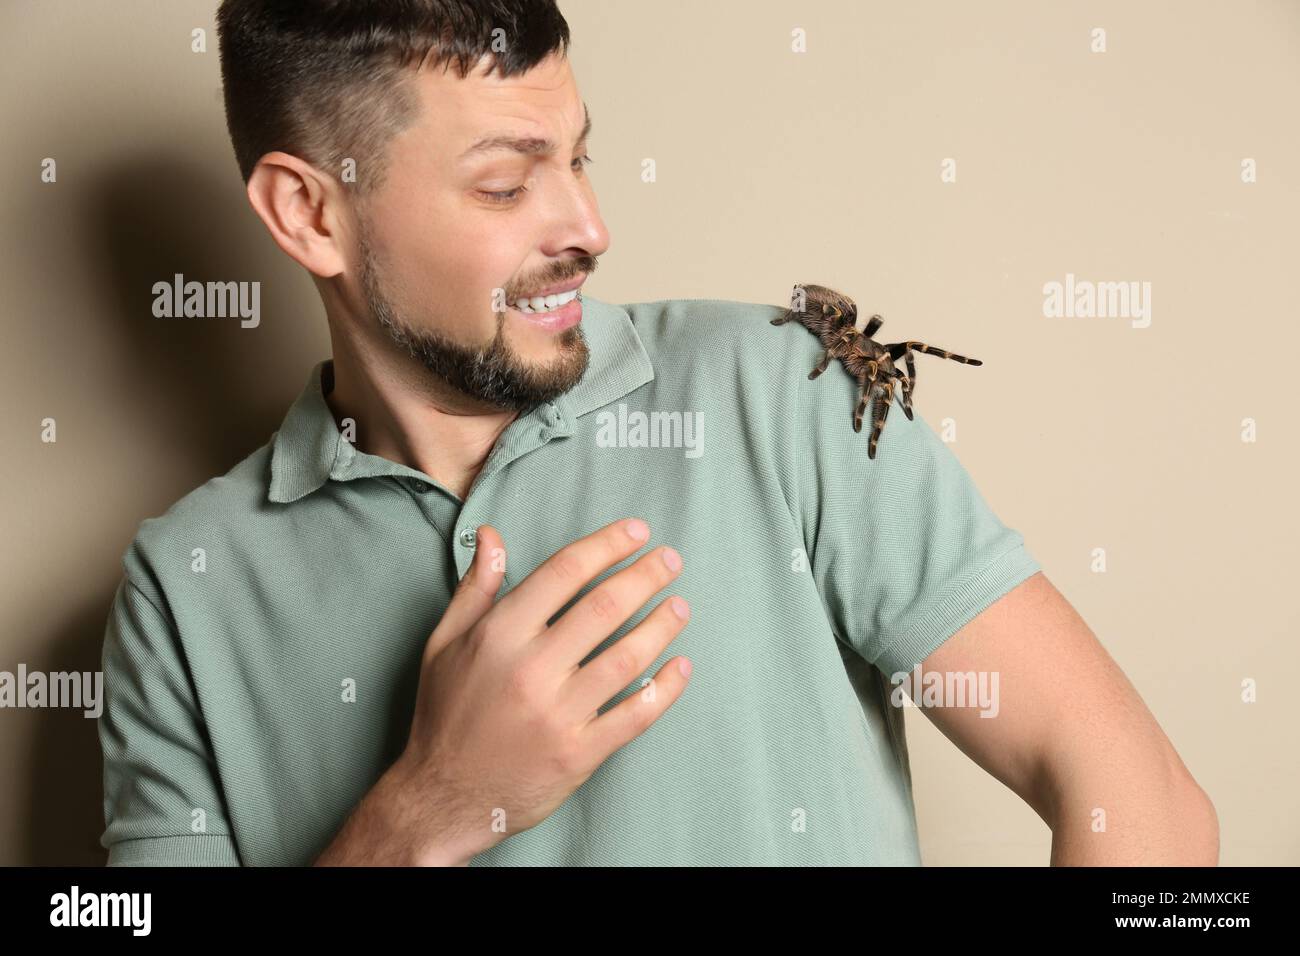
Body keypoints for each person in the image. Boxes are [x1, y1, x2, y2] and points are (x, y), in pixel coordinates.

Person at [98, 0, 1217, 866]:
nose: (589, 227)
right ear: (309, 212)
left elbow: (1142, 797)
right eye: (503, 185)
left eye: (577, 155)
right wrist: (424, 807)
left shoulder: (781, 393)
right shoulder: (182, 591)